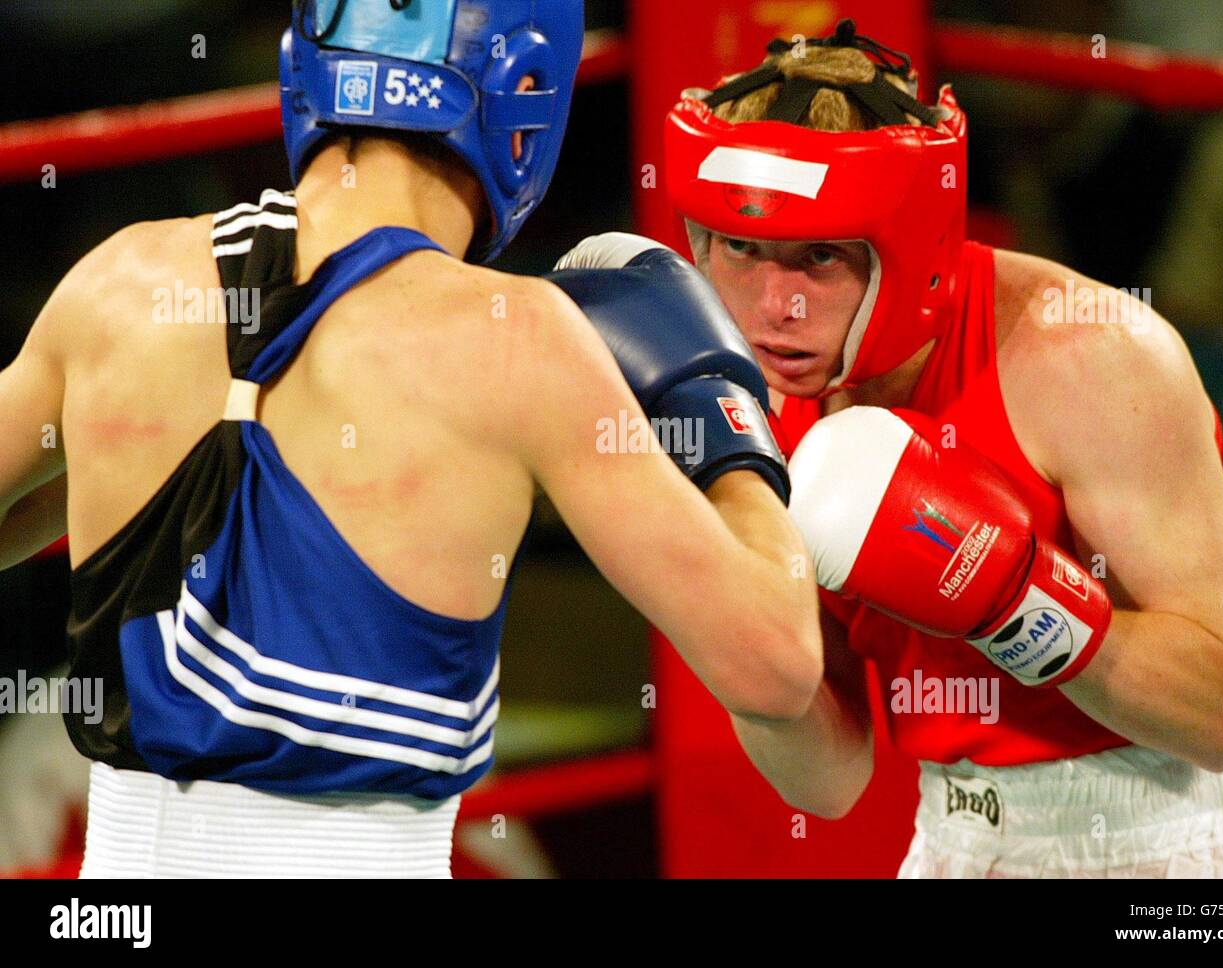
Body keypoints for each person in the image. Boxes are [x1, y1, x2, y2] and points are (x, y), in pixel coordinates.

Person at [0, 0, 821, 877]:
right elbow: (775, 666)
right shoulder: (523, 344)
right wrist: (723, 418)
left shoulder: (117, 287)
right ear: (525, 94)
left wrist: (122, 465)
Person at [661, 18, 1223, 877]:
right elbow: (832, 777)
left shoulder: (1090, 353)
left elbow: (1222, 715)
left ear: (909, 241)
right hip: (955, 838)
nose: (776, 305)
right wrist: (715, 610)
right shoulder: (748, 405)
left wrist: (1009, 594)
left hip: (1168, 847)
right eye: (741, 247)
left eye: (819, 257)